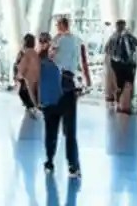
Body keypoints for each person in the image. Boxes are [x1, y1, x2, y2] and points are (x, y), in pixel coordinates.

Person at [48, 16, 91, 178]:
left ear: (60, 26)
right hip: (70, 83)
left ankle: (50, 162)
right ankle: (74, 167)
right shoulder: (78, 41)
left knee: (52, 125)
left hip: (57, 83)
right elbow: (84, 63)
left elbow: (50, 58)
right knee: (70, 129)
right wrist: (88, 82)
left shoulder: (57, 40)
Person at [37, 31, 81, 178]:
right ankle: (72, 166)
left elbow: (35, 81)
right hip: (66, 96)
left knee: (51, 131)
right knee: (69, 132)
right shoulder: (63, 63)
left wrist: (38, 101)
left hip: (50, 101)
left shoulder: (40, 62)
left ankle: (50, 162)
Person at [106, 19, 137, 114]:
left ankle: (122, 103)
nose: (121, 28)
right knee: (124, 83)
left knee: (123, 83)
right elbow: (136, 44)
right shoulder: (115, 36)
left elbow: (107, 49)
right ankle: (123, 103)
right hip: (122, 64)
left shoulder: (117, 36)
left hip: (122, 63)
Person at [14, 33, 41, 118]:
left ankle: (31, 108)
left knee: (22, 92)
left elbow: (21, 68)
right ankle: (32, 108)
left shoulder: (26, 53)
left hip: (27, 80)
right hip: (34, 80)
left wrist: (17, 77)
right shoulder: (35, 53)